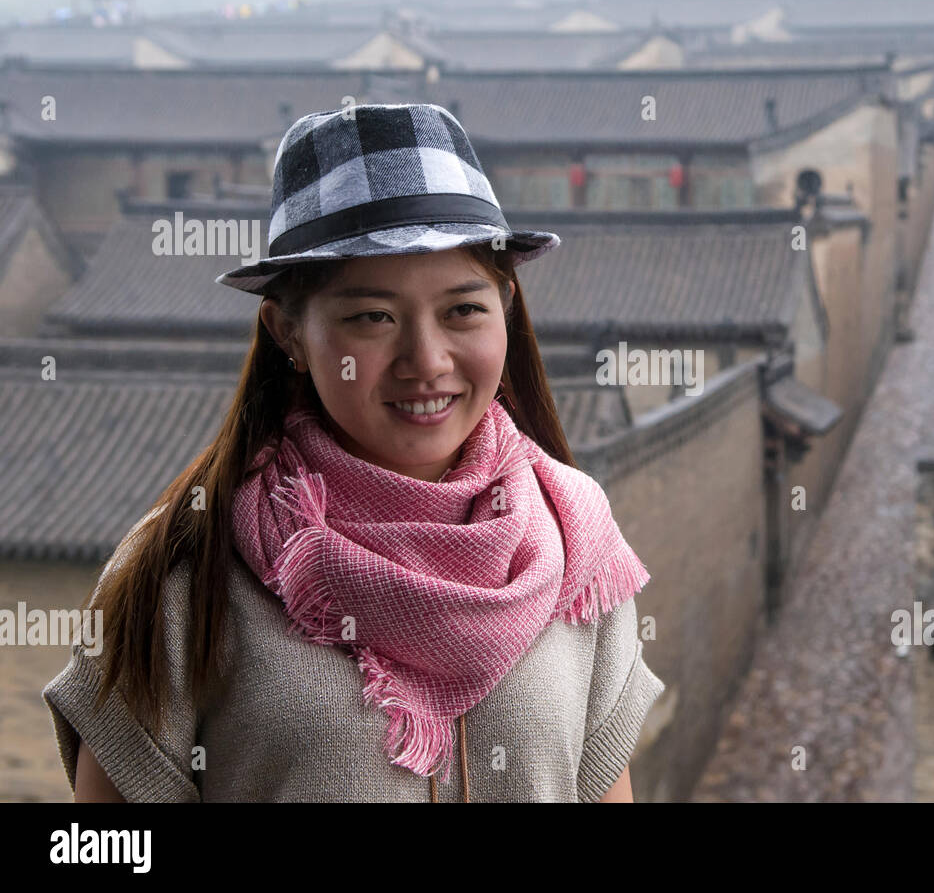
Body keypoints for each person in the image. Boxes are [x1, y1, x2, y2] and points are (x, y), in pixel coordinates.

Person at [42, 103, 665, 802]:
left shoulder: (575, 540)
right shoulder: (188, 568)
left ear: (509, 308)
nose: (426, 361)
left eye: (463, 309)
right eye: (372, 317)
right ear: (289, 333)